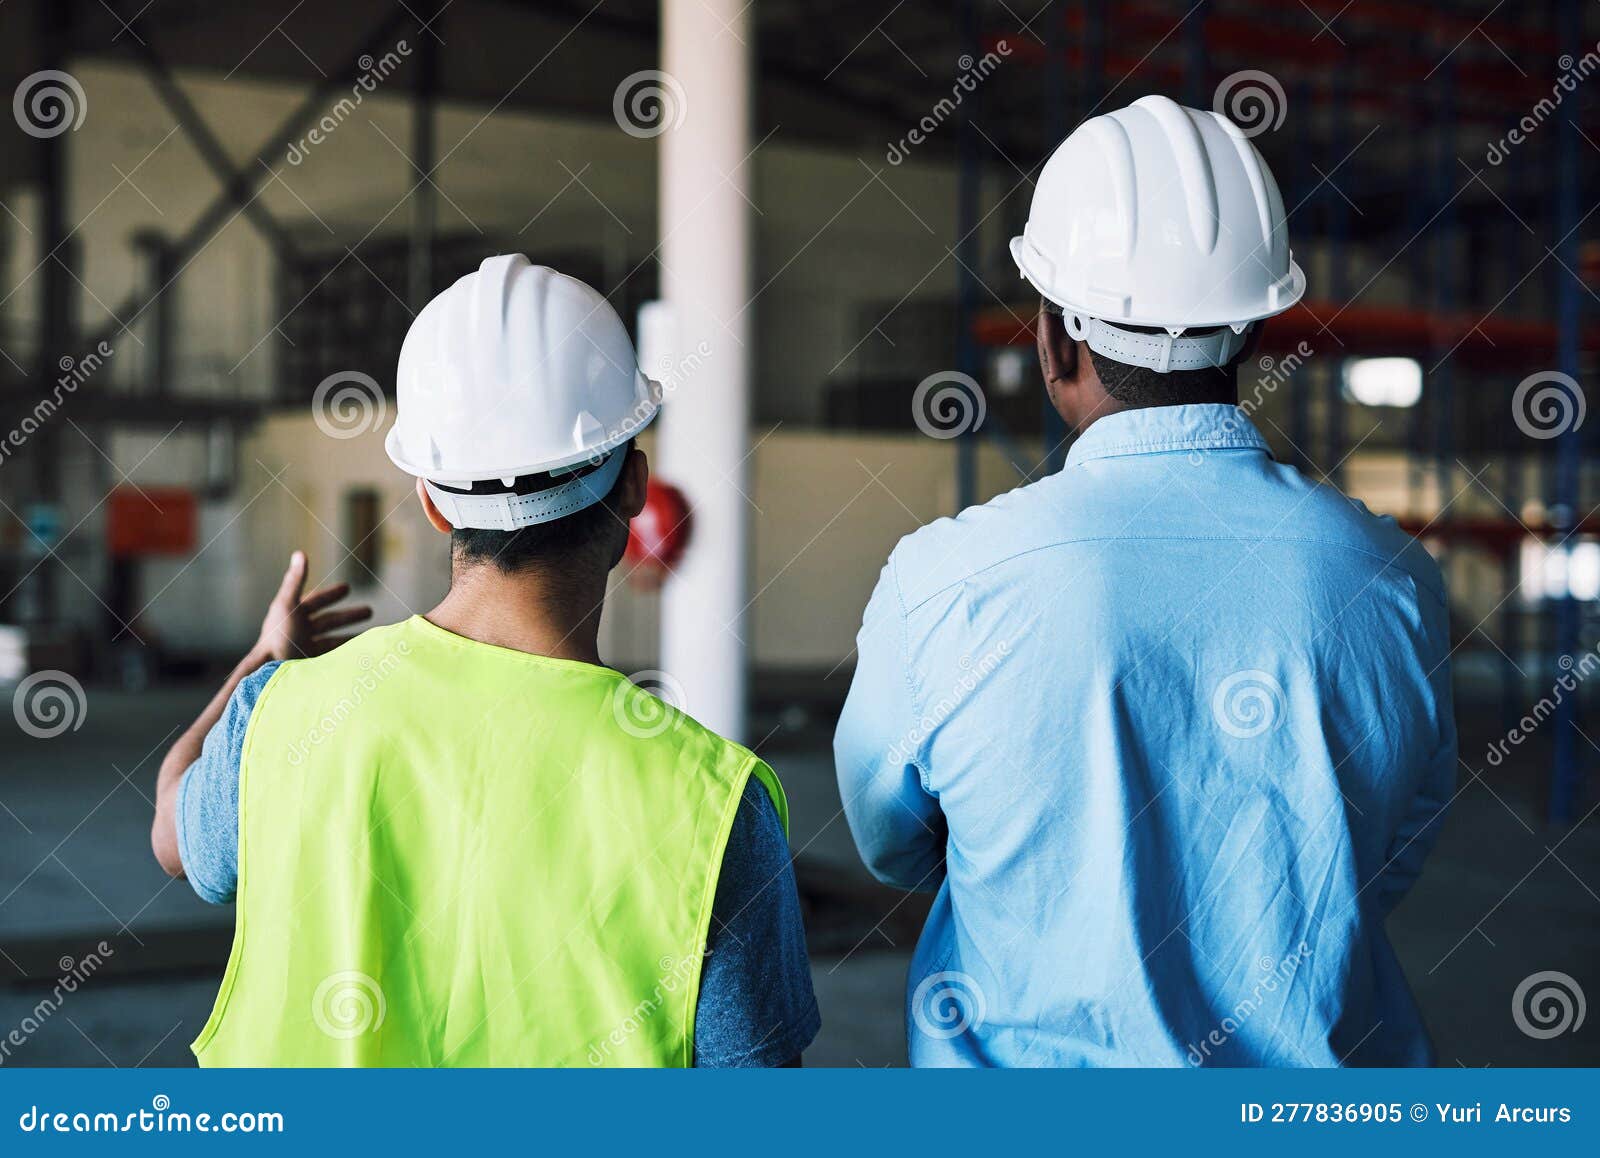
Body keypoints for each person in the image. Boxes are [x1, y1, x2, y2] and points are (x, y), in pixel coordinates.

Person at [834, 96, 1455, 1067]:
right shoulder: (1390, 580)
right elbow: (1392, 847)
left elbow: (892, 842)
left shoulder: (947, 582)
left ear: (1054, 339)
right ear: (1250, 331)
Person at [151, 255, 818, 1067]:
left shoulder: (280, 712)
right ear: (637, 484)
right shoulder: (716, 805)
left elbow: (174, 840)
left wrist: (262, 662)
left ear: (432, 503)